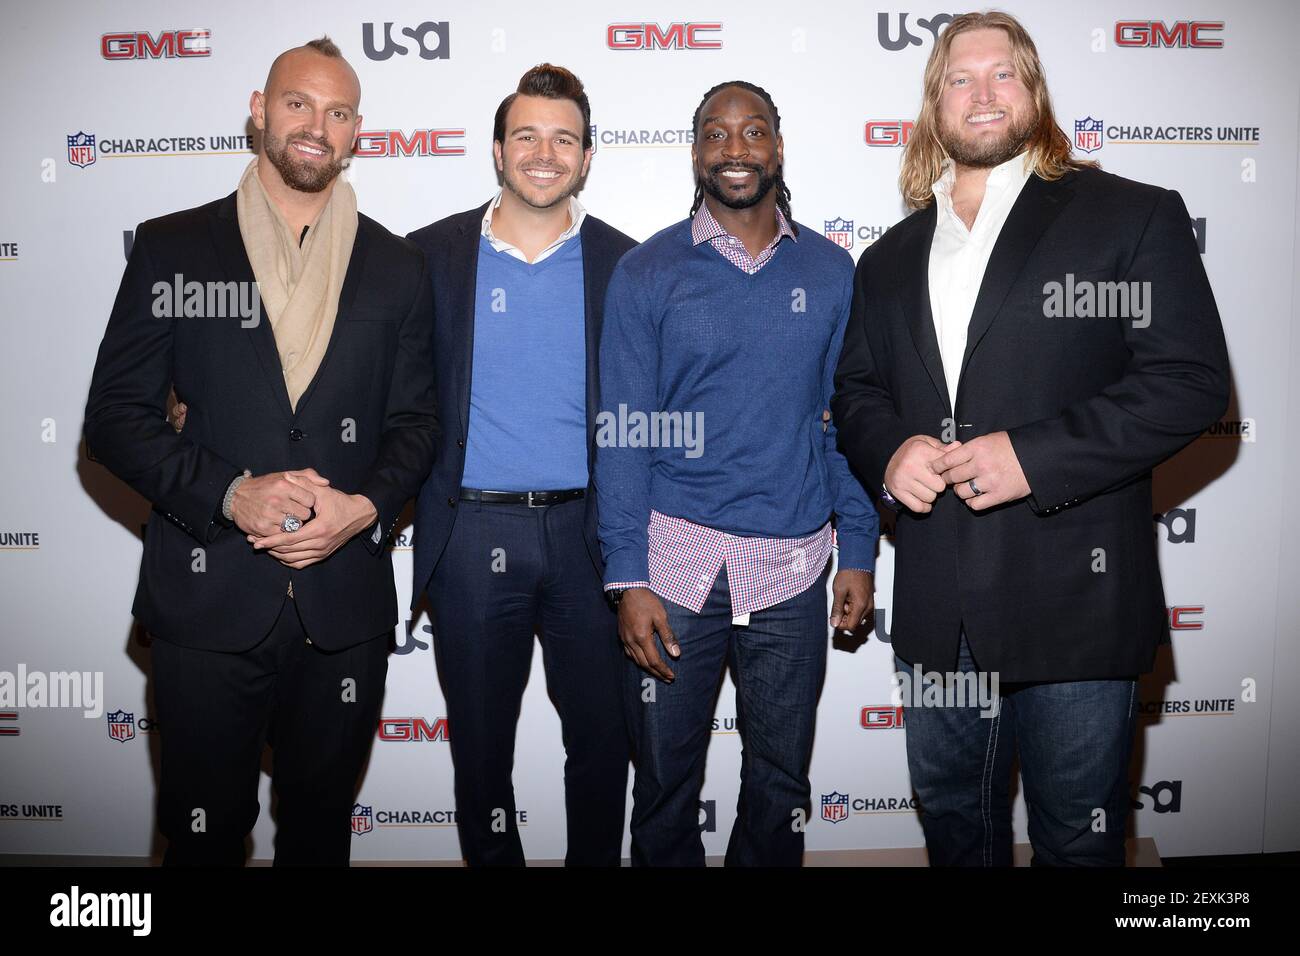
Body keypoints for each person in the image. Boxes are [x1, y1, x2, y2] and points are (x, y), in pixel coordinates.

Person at [831, 11, 1230, 866]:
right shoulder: (889, 257)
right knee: (952, 829)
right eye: (958, 79)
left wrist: (1034, 457)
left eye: (1001, 74)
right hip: (940, 609)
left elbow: (1190, 384)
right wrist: (890, 449)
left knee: (1076, 837)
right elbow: (858, 391)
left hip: (1074, 604)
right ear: (933, 104)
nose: (981, 94)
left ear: (1035, 90)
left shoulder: (1130, 216)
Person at [84, 37, 437, 865]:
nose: (317, 125)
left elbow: (417, 424)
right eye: (298, 104)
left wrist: (366, 506)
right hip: (207, 604)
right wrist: (229, 492)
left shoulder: (400, 267)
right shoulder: (174, 248)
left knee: (319, 839)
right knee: (202, 839)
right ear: (259, 109)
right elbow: (114, 419)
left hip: (342, 608)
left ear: (358, 134)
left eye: (338, 112)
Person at [597, 80, 879, 866]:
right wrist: (628, 575)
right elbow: (622, 435)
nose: (735, 149)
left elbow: (844, 423)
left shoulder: (830, 271)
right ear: (694, 153)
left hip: (791, 568)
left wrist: (857, 546)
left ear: (778, 148)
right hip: (674, 568)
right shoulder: (648, 272)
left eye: (752, 132)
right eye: (716, 135)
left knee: (781, 786)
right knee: (662, 785)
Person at [405, 64, 636, 866]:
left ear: (587, 155)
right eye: (527, 136)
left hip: (592, 535)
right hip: (471, 532)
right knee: (480, 751)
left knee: (605, 745)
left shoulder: (625, 264)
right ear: (498, 150)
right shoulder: (427, 257)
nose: (545, 153)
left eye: (563, 138)